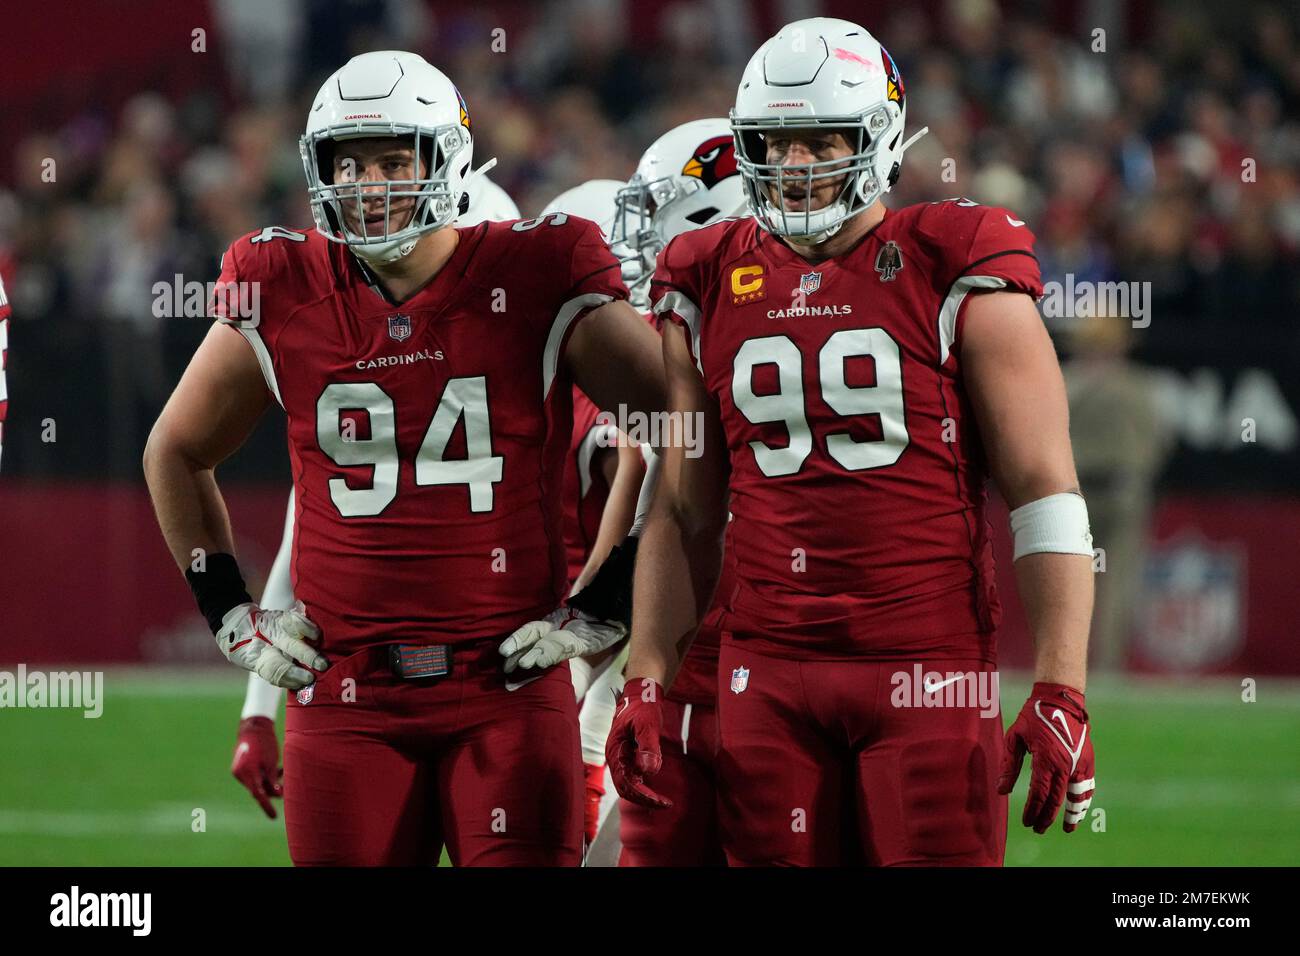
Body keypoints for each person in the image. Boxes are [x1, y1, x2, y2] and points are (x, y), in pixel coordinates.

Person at [144, 51, 663, 866]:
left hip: (508, 688)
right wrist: (229, 612)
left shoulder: (535, 271)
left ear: (447, 160)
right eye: (348, 165)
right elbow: (174, 450)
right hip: (346, 694)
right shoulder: (282, 282)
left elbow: (686, 429)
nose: (371, 185)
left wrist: (609, 596)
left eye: (394, 160)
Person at [606, 19, 1097, 866]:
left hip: (929, 664)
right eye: (777, 142)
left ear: (879, 136)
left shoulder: (954, 260)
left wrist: (1062, 684)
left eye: (821, 140)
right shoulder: (704, 275)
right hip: (769, 671)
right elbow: (683, 508)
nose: (796, 166)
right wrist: (647, 668)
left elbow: (1045, 491)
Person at [228, 174, 522, 823]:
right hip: (362, 694)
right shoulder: (357, 381)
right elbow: (296, 548)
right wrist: (255, 712)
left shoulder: (549, 395)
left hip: (505, 692)